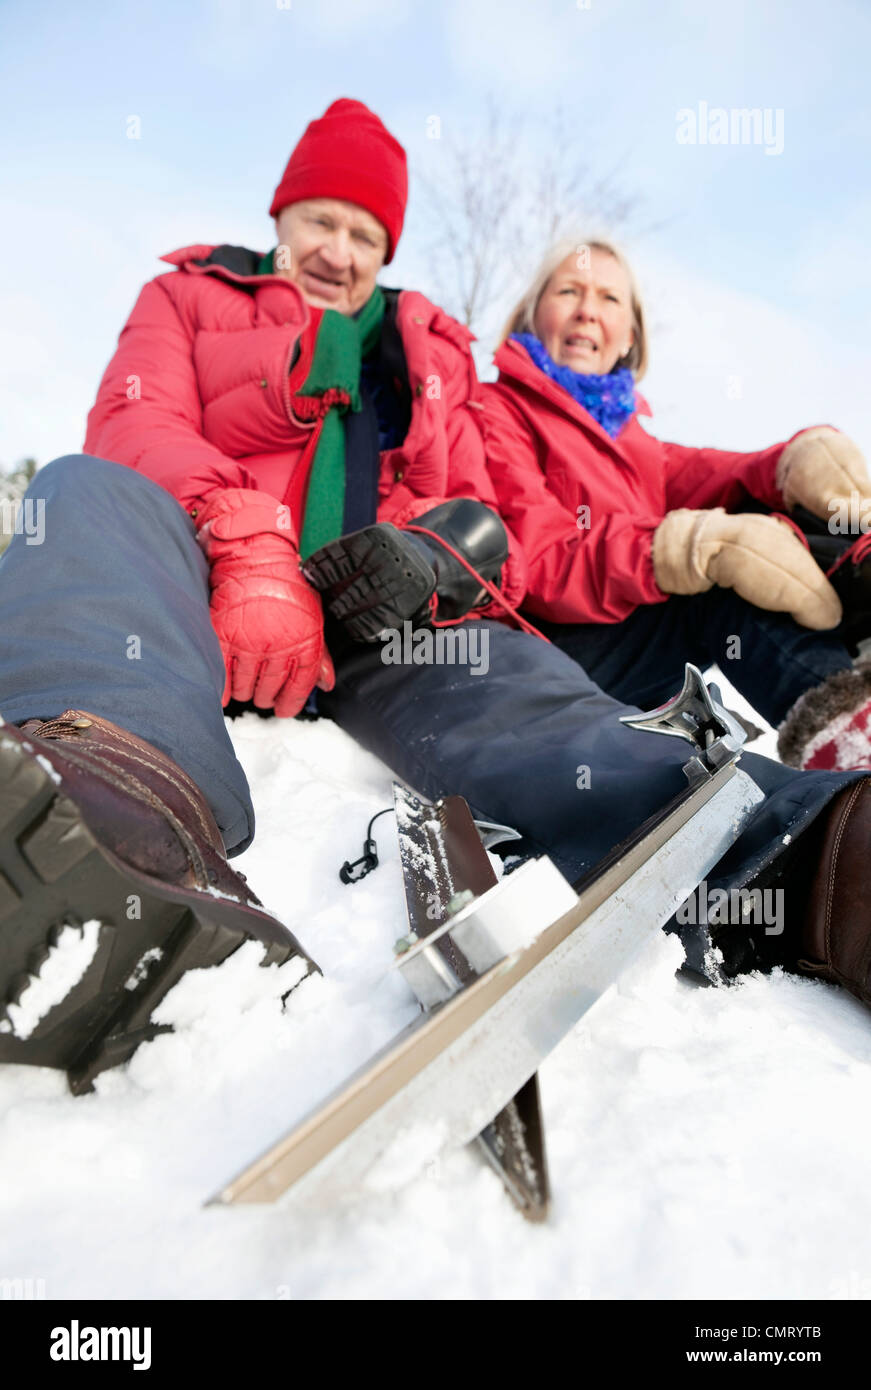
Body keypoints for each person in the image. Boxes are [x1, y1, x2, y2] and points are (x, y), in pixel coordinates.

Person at [0, 103, 869, 1096]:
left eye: (364, 234)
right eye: (319, 221)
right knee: (83, 490)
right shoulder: (191, 295)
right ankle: (111, 823)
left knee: (540, 716)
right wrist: (244, 536)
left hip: (372, 616)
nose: (337, 249)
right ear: (280, 218)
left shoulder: (428, 350)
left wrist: (433, 555)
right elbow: (135, 420)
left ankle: (820, 861)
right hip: (195, 567)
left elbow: (475, 501)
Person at [480, 236, 871, 774]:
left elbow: (733, 476)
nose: (588, 311)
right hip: (548, 658)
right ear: (531, 314)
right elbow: (534, 558)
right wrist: (678, 552)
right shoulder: (494, 411)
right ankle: (852, 740)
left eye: (609, 299)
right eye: (569, 291)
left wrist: (796, 462)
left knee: (786, 526)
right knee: (718, 577)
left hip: (624, 649)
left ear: (630, 337)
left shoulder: (634, 443)